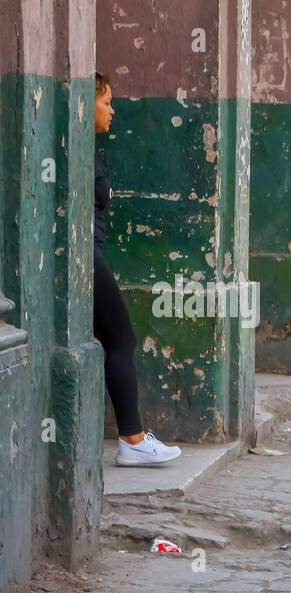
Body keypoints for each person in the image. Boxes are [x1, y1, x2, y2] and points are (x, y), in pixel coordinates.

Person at [92, 73, 182, 466]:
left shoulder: (89, 148)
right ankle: (132, 438)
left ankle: (133, 438)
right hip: (84, 258)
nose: (112, 110)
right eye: (106, 102)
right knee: (122, 338)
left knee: (116, 338)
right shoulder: (73, 147)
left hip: (90, 255)